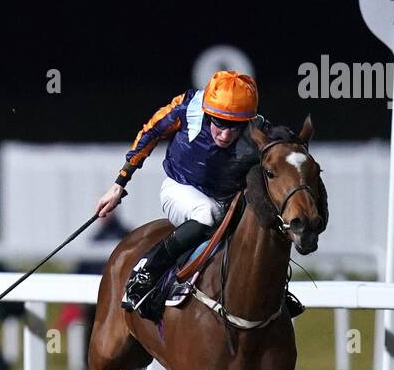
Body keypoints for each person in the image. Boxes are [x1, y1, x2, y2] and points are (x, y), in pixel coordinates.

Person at [94, 69, 304, 318]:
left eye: (235, 126)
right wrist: (120, 183)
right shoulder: (187, 107)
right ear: (208, 113)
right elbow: (150, 133)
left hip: (228, 200)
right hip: (181, 188)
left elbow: (285, 155)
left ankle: (276, 289)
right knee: (207, 213)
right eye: (220, 123)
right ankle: (146, 271)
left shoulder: (258, 129)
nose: (225, 135)